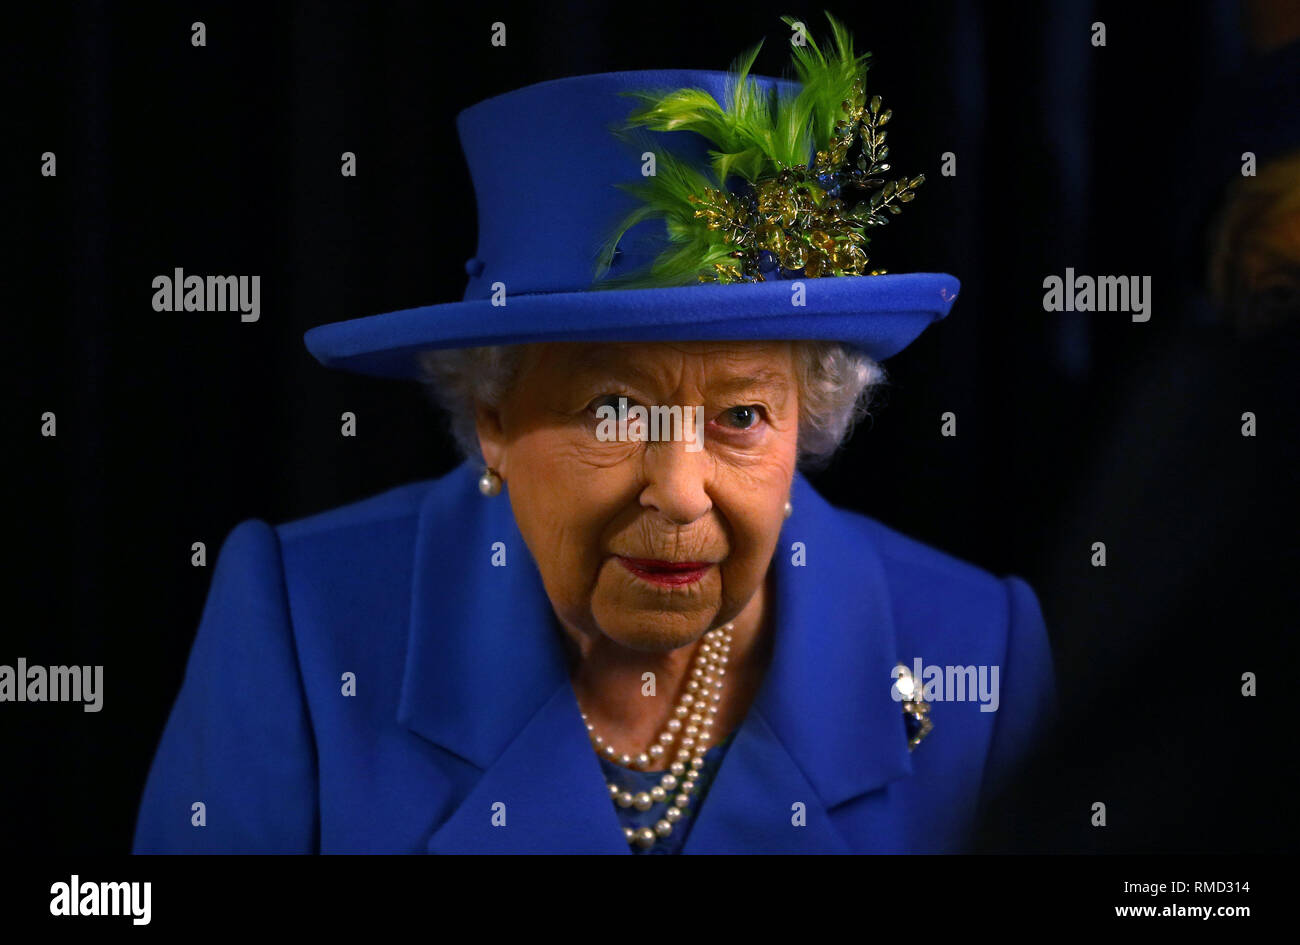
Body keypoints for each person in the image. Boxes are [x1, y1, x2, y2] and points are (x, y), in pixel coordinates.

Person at [132, 16, 1056, 854]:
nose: (681, 491)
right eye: (612, 413)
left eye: (740, 416)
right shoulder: (304, 631)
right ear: (491, 418)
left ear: (806, 415)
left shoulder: (979, 653)